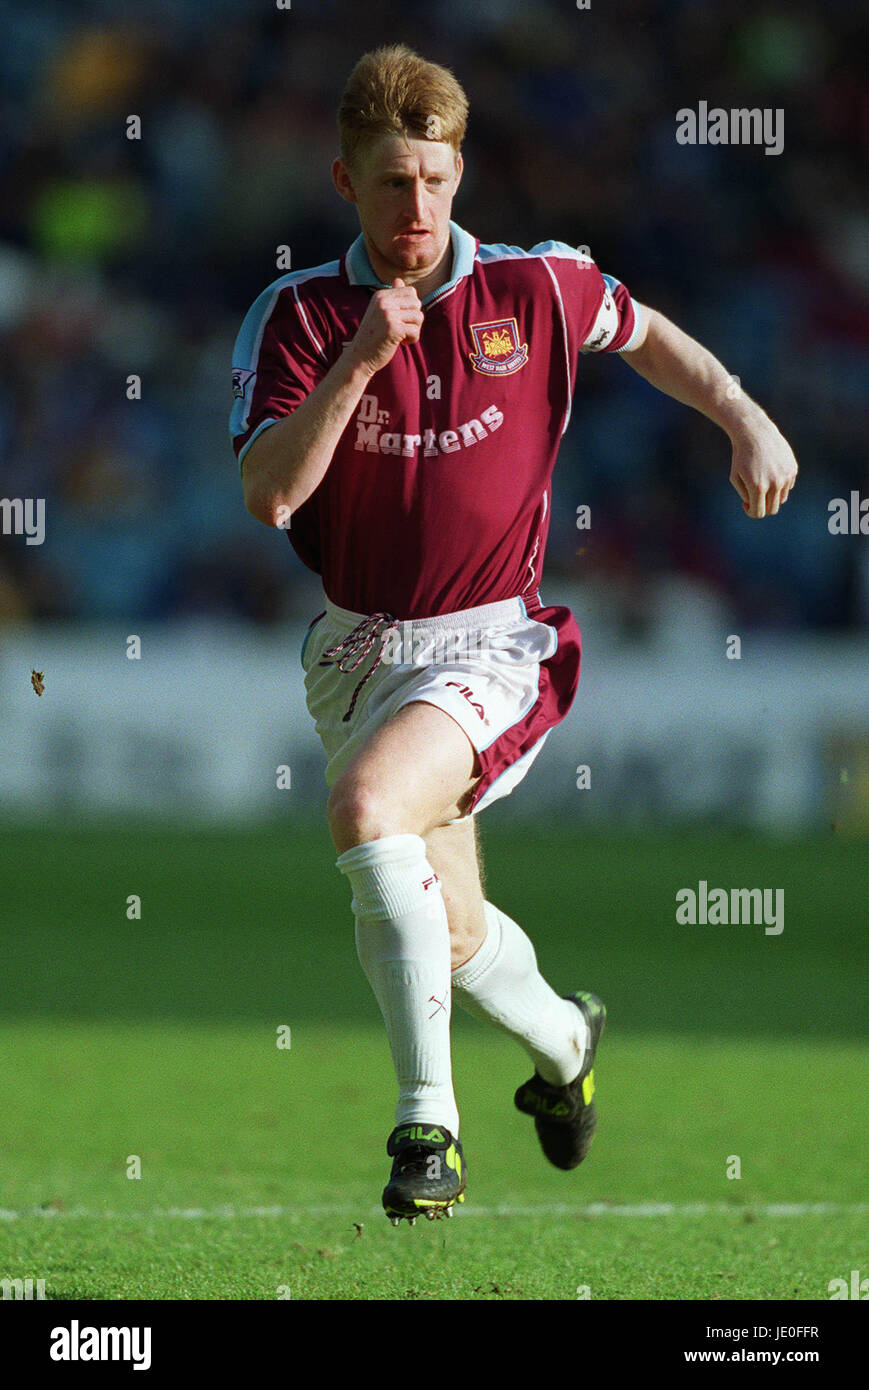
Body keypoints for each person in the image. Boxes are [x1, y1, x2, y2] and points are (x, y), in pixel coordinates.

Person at [230, 44, 798, 1224]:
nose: (418, 210)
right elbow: (271, 493)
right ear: (344, 182)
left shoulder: (534, 287)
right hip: (354, 651)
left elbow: (643, 332)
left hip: (492, 641)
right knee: (446, 930)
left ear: (459, 171)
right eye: (392, 184)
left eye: (436, 182)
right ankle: (564, 1043)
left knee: (365, 811)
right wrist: (356, 361)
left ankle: (424, 1131)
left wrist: (740, 411)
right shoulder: (297, 316)